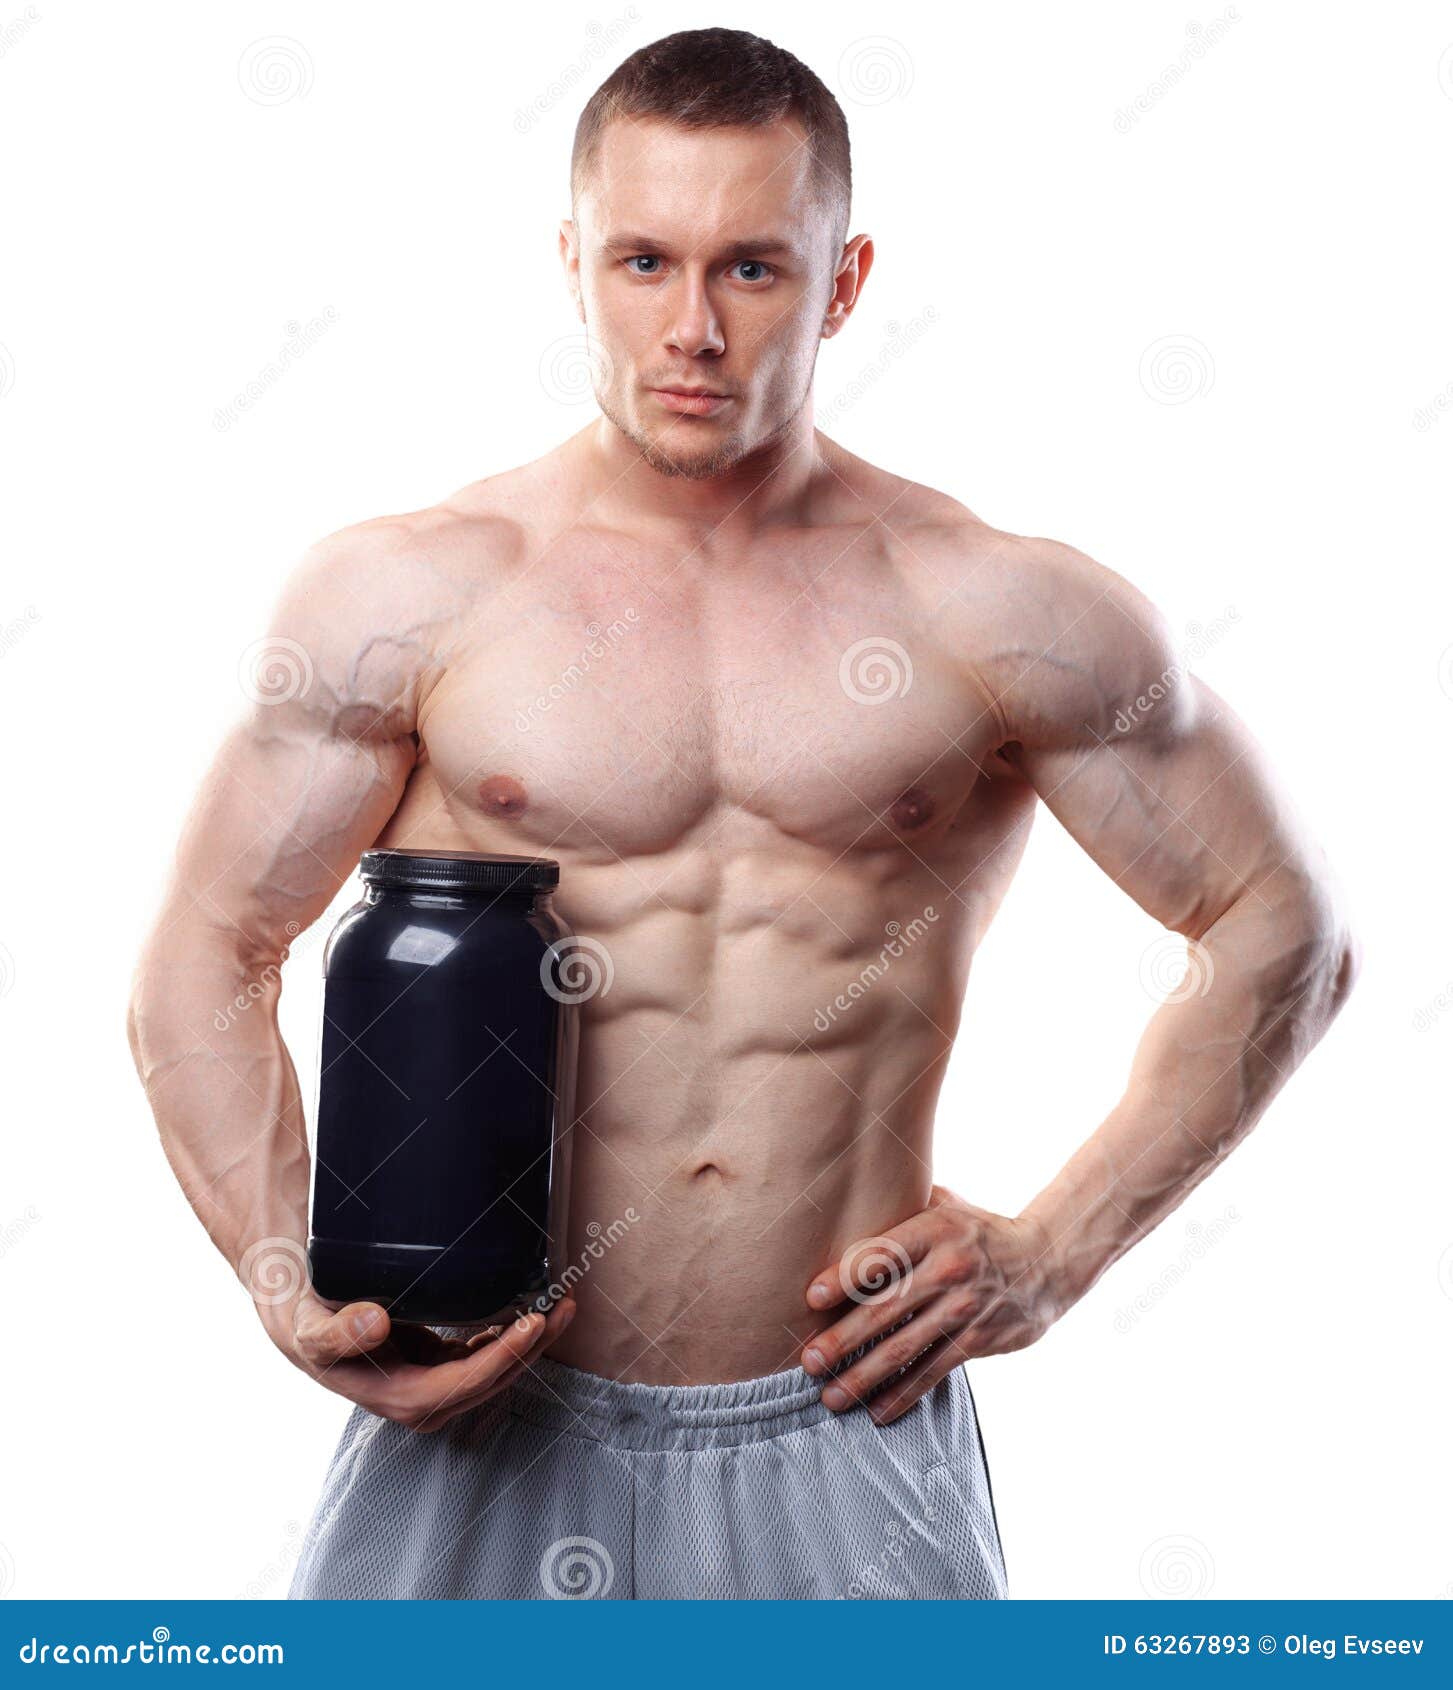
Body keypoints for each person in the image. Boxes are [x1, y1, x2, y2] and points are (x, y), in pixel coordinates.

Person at [126, 27, 1359, 1601]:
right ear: (571, 264)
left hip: (844, 1417)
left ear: (842, 282)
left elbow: (1281, 928)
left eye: (752, 270)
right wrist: (276, 1262)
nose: (689, 328)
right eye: (643, 261)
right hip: (474, 1410)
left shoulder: (992, 605)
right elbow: (207, 946)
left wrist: (1052, 1250)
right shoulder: (412, 591)